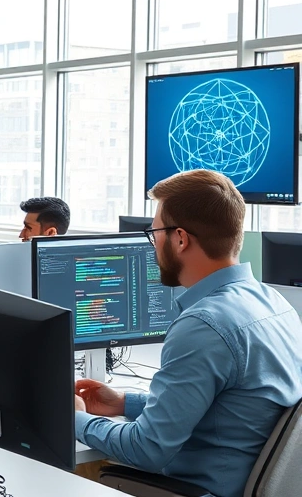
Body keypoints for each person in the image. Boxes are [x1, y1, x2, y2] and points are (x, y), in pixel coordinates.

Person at [73, 169, 302, 497]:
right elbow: (229, 409)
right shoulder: (274, 302)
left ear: (180, 238)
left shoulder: (204, 327)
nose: (154, 247)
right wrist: (125, 402)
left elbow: (146, 450)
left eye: (154, 235)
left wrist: (75, 419)